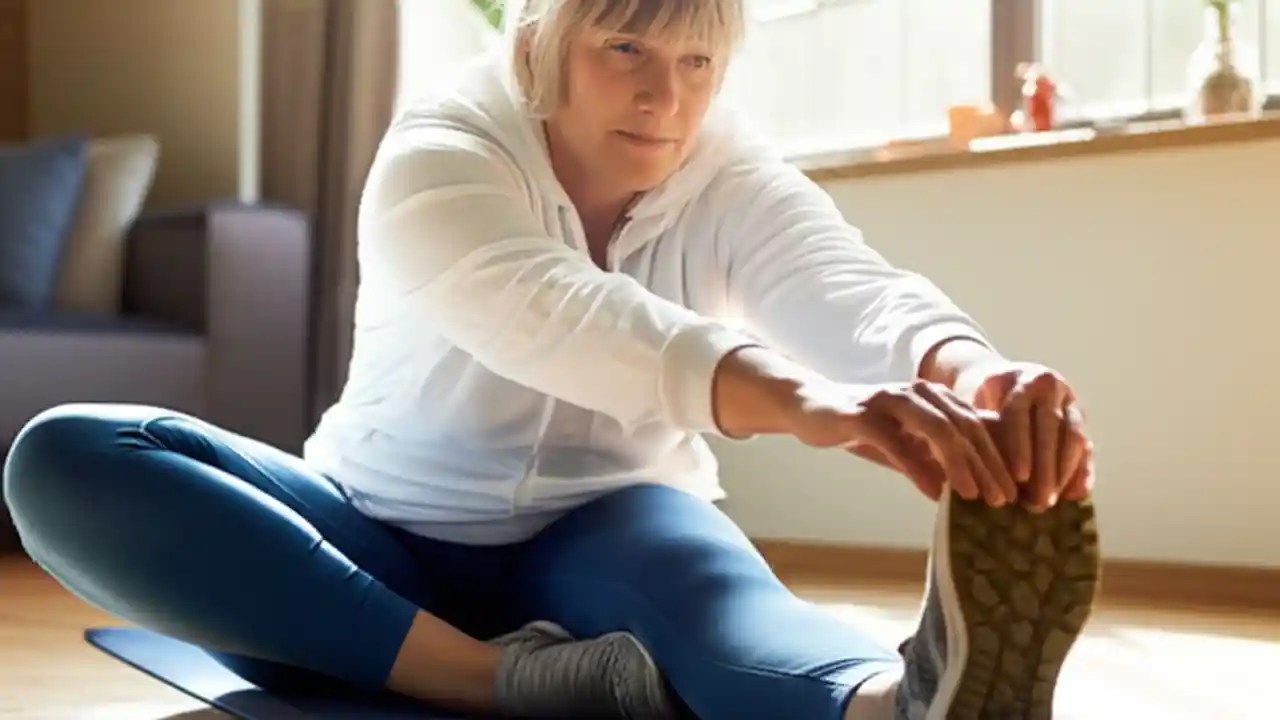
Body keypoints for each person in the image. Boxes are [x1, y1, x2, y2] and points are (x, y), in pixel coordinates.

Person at [2, 1, 1100, 718]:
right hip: (377, 530)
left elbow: (844, 284)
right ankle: (497, 681)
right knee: (65, 457)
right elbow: (556, 314)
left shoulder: (728, 169)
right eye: (623, 46)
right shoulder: (439, 151)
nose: (662, 95)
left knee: (713, 595)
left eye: (695, 60)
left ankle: (895, 704)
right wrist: (802, 400)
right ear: (539, 39)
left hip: (609, 524)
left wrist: (971, 371)